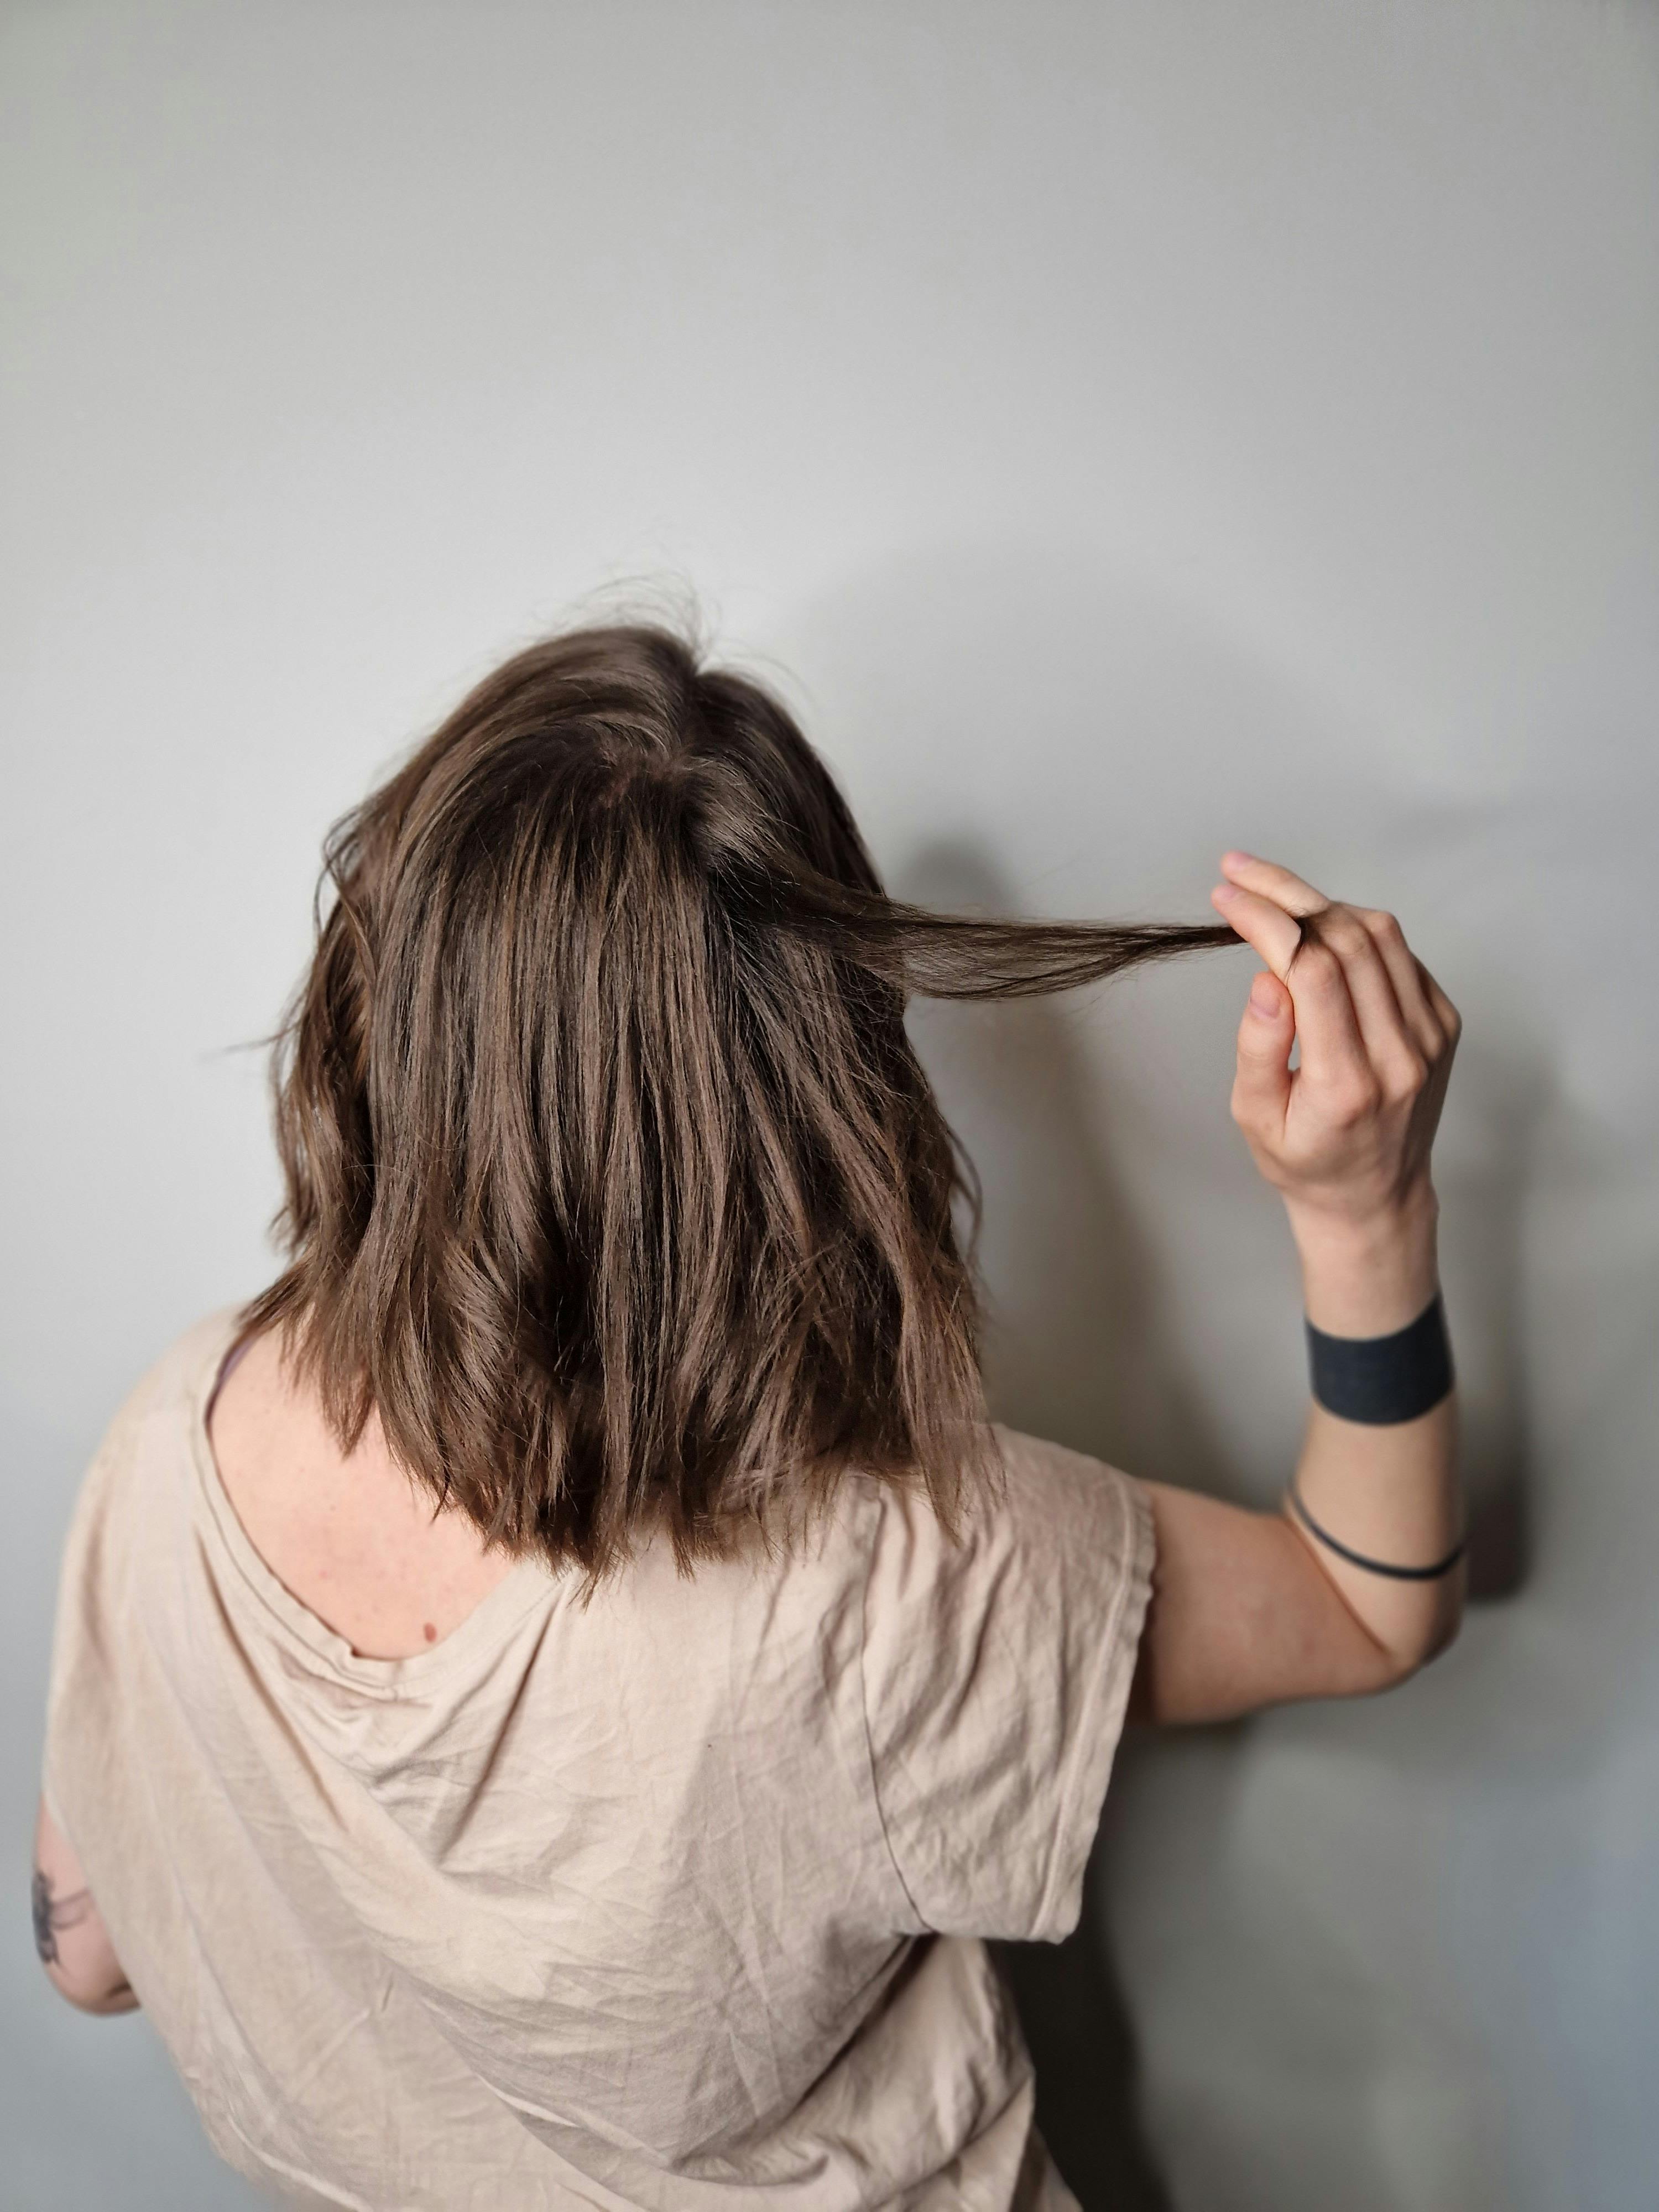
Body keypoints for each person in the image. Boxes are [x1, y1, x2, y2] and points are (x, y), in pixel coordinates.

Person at [33, 623, 1464, 2211]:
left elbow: (89, 1951)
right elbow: (1370, 1602)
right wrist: (1366, 1213)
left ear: (387, 1009)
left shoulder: (170, 1434)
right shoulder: (886, 1575)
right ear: (813, 1093)